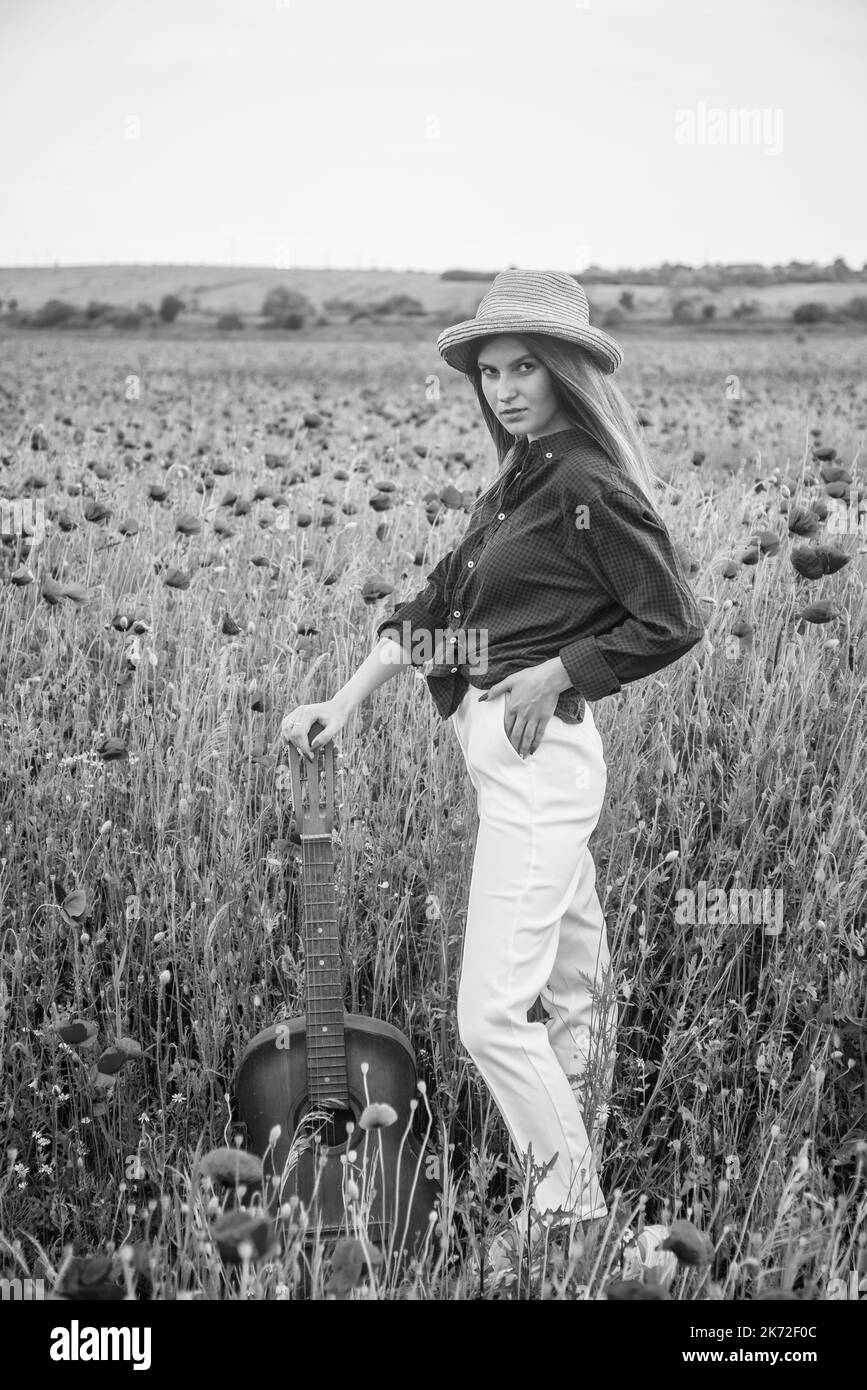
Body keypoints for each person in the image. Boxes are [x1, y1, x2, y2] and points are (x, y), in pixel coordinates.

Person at [280, 269, 705, 1274]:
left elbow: (672, 617)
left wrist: (558, 669)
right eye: (491, 370)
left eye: (525, 369)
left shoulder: (585, 485)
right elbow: (438, 607)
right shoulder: (520, 479)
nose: (505, 387)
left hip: (539, 765)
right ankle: (581, 1206)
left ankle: (570, 1218)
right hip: (512, 759)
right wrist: (344, 700)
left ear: (564, 373)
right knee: (574, 991)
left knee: (488, 1016)